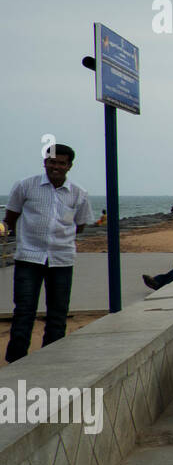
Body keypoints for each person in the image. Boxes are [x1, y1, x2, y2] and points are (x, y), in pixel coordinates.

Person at [4, 145, 94, 363]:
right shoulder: (26, 186)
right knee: (24, 311)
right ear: (45, 162)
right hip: (29, 257)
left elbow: (80, 225)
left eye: (61, 163)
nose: (56, 167)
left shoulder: (78, 193)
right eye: (52, 162)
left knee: (58, 313)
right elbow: (11, 216)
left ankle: (50, 360)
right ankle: (17, 361)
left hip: (61, 259)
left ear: (69, 166)